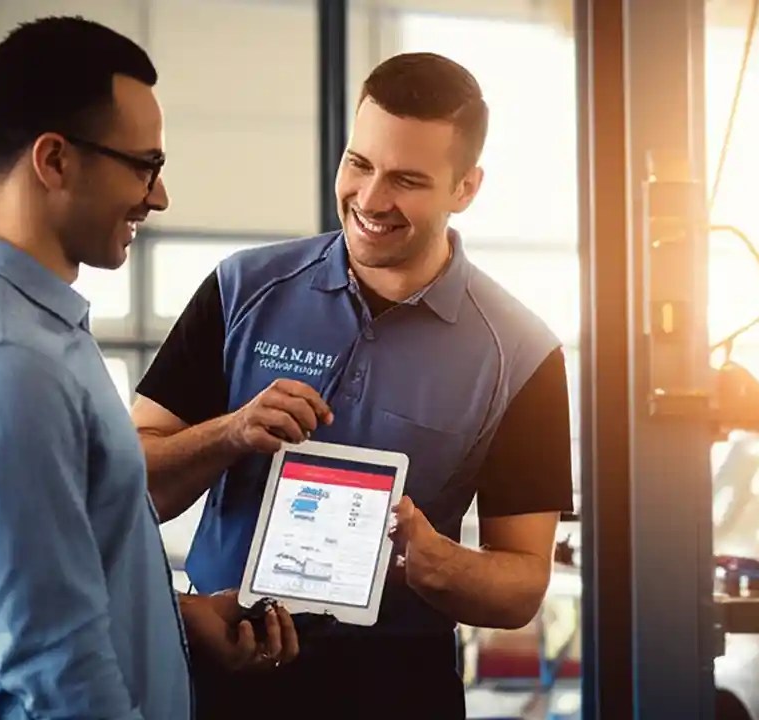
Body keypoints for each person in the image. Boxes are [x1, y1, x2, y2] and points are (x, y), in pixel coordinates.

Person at [131, 52, 574, 718]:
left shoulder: (524, 353)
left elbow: (520, 588)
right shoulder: (240, 289)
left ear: (465, 189)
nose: (370, 200)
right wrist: (230, 433)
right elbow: (130, 488)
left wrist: (434, 560)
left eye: (407, 179)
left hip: (398, 686)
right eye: (359, 164)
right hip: (226, 665)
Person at [0, 17, 296, 720]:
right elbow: (55, 661)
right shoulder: (7, 363)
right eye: (144, 166)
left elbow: (61, 573)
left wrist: (178, 619)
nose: (159, 195)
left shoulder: (37, 328)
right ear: (54, 160)